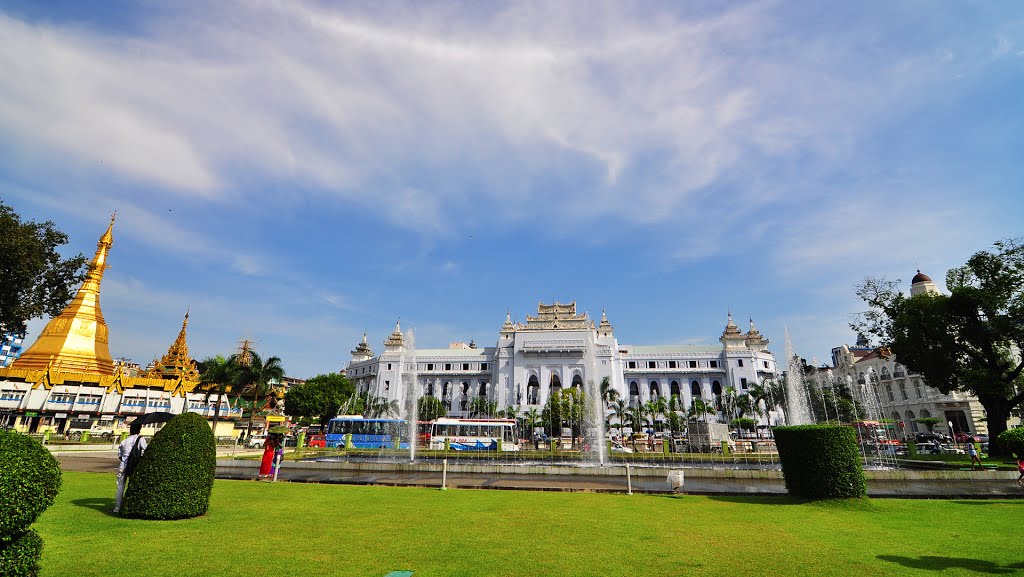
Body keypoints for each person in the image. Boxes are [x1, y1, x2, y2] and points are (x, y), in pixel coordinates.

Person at [113, 421, 147, 513]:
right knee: (133, 485)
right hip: (134, 466)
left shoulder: (124, 442)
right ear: (139, 430)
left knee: (120, 487)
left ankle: (117, 507)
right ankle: (131, 506)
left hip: (123, 466)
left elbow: (120, 456)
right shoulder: (140, 439)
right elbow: (146, 449)